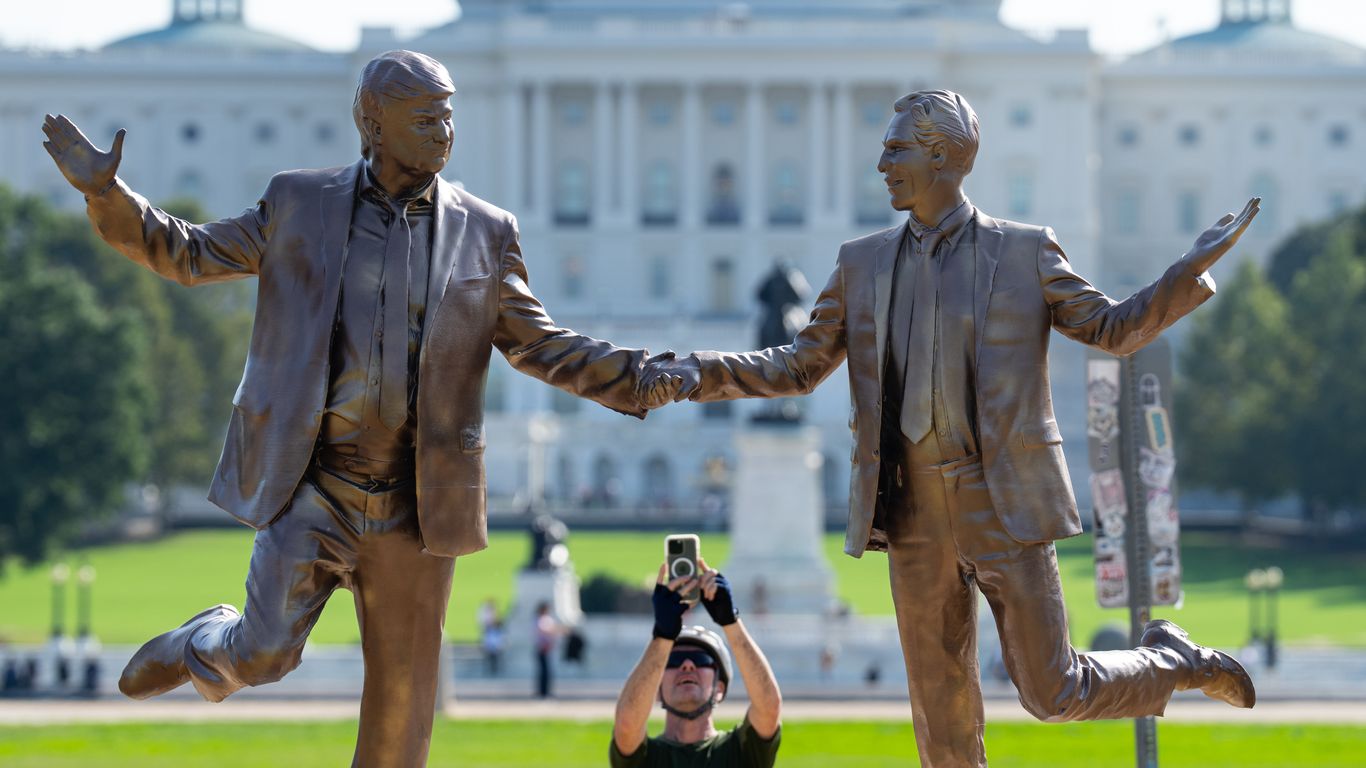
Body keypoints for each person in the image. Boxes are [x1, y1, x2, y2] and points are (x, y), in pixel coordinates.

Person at [41, 50, 661, 768]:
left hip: (416, 503)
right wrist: (108, 198)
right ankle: (207, 639)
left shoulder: (486, 231)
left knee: (401, 726)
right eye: (426, 117)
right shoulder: (300, 203)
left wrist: (652, 377)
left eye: (450, 114)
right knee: (266, 654)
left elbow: (547, 346)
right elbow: (189, 255)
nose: (445, 130)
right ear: (372, 122)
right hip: (316, 482)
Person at [642, 89, 1258, 767]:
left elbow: (1111, 329)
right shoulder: (861, 264)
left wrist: (1186, 272)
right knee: (943, 730)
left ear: (944, 157)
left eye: (896, 149)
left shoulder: (1024, 252)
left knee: (1053, 690)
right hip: (912, 515)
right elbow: (796, 367)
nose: (881, 163)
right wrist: (695, 371)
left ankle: (1173, 661)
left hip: (1005, 501)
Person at [611, 558, 781, 768]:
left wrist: (730, 620)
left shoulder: (740, 752)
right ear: (656, 690)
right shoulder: (646, 757)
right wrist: (662, 637)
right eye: (674, 661)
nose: (688, 665)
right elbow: (627, 723)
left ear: (720, 688)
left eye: (701, 660)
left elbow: (769, 707)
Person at [532, 601, 568, 698]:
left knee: (547, 671)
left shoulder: (546, 619)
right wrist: (558, 630)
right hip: (542, 648)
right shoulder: (539, 619)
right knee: (544, 671)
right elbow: (545, 630)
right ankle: (542, 691)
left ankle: (546, 691)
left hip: (548, 648)